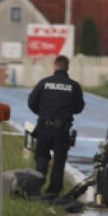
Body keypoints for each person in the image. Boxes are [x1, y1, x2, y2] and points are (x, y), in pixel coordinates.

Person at [27, 55, 84, 199]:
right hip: (62, 129)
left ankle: (37, 187)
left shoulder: (44, 83)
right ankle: (54, 191)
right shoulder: (74, 86)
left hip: (44, 127)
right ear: (67, 68)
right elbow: (79, 107)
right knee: (59, 161)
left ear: (54, 66)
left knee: (41, 157)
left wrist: (42, 112)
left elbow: (32, 102)